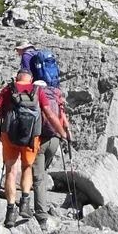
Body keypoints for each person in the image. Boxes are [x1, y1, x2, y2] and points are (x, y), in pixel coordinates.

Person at [0, 71, 41, 227]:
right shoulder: (38, 90)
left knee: (11, 171)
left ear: (17, 77)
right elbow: (46, 113)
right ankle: (25, 202)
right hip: (31, 136)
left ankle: (11, 212)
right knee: (27, 167)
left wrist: (4, 113)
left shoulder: (8, 89)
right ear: (30, 79)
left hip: (9, 135)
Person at [30, 78, 71, 225]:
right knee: (42, 172)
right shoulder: (54, 95)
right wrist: (66, 133)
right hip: (55, 140)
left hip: (39, 140)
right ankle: (38, 200)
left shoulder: (34, 95)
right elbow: (63, 116)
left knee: (39, 178)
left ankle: (41, 216)